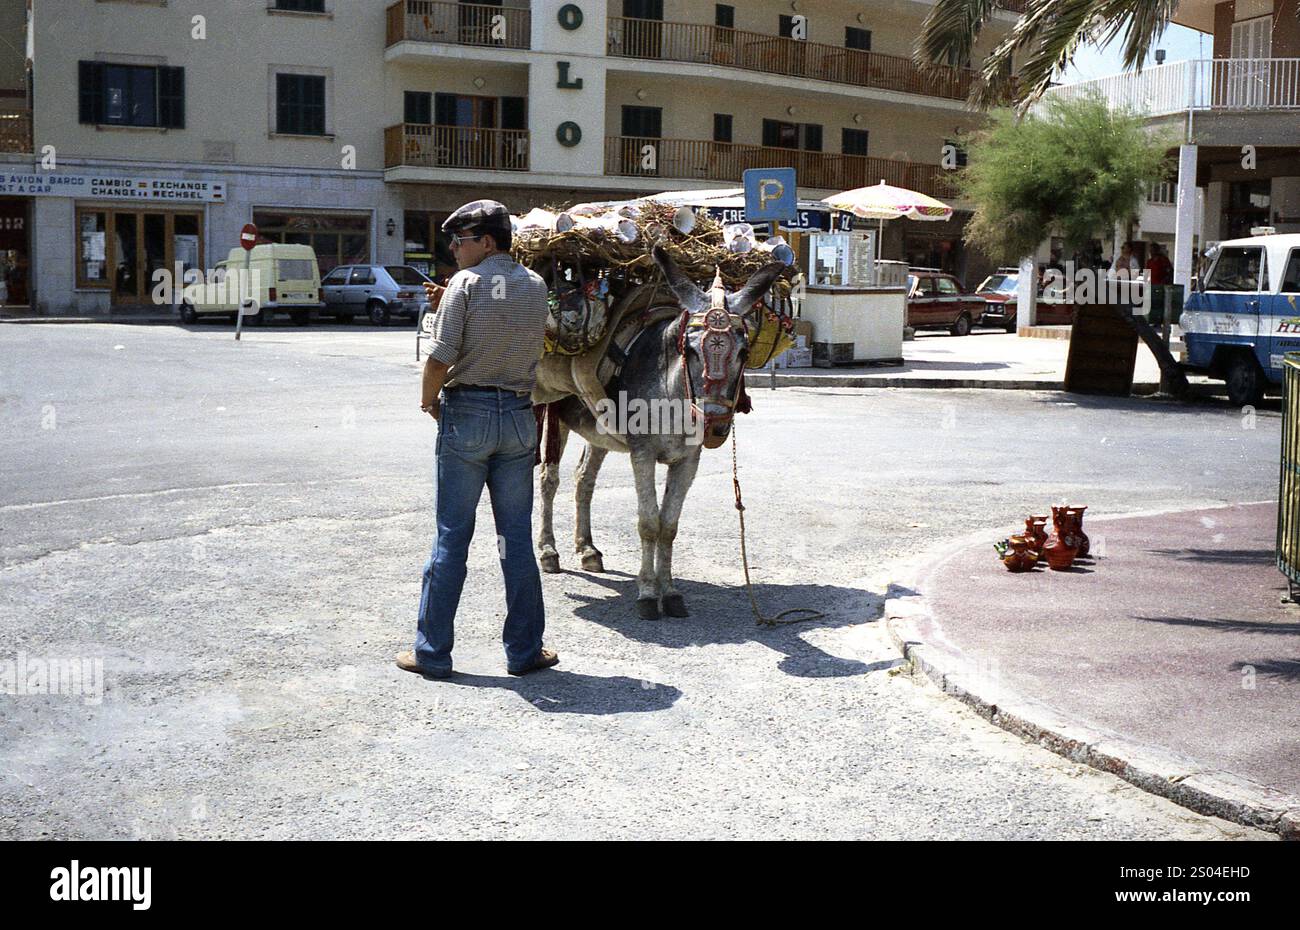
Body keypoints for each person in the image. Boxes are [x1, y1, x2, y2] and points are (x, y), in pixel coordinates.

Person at [395, 200, 558, 679]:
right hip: (519, 419)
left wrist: (430, 404)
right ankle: (525, 651)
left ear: (486, 242)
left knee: (452, 536)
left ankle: (432, 653)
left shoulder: (464, 285)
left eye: (460, 240)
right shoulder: (536, 285)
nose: (453, 248)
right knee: (516, 540)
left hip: (467, 415)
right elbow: (518, 327)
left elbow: (441, 358)